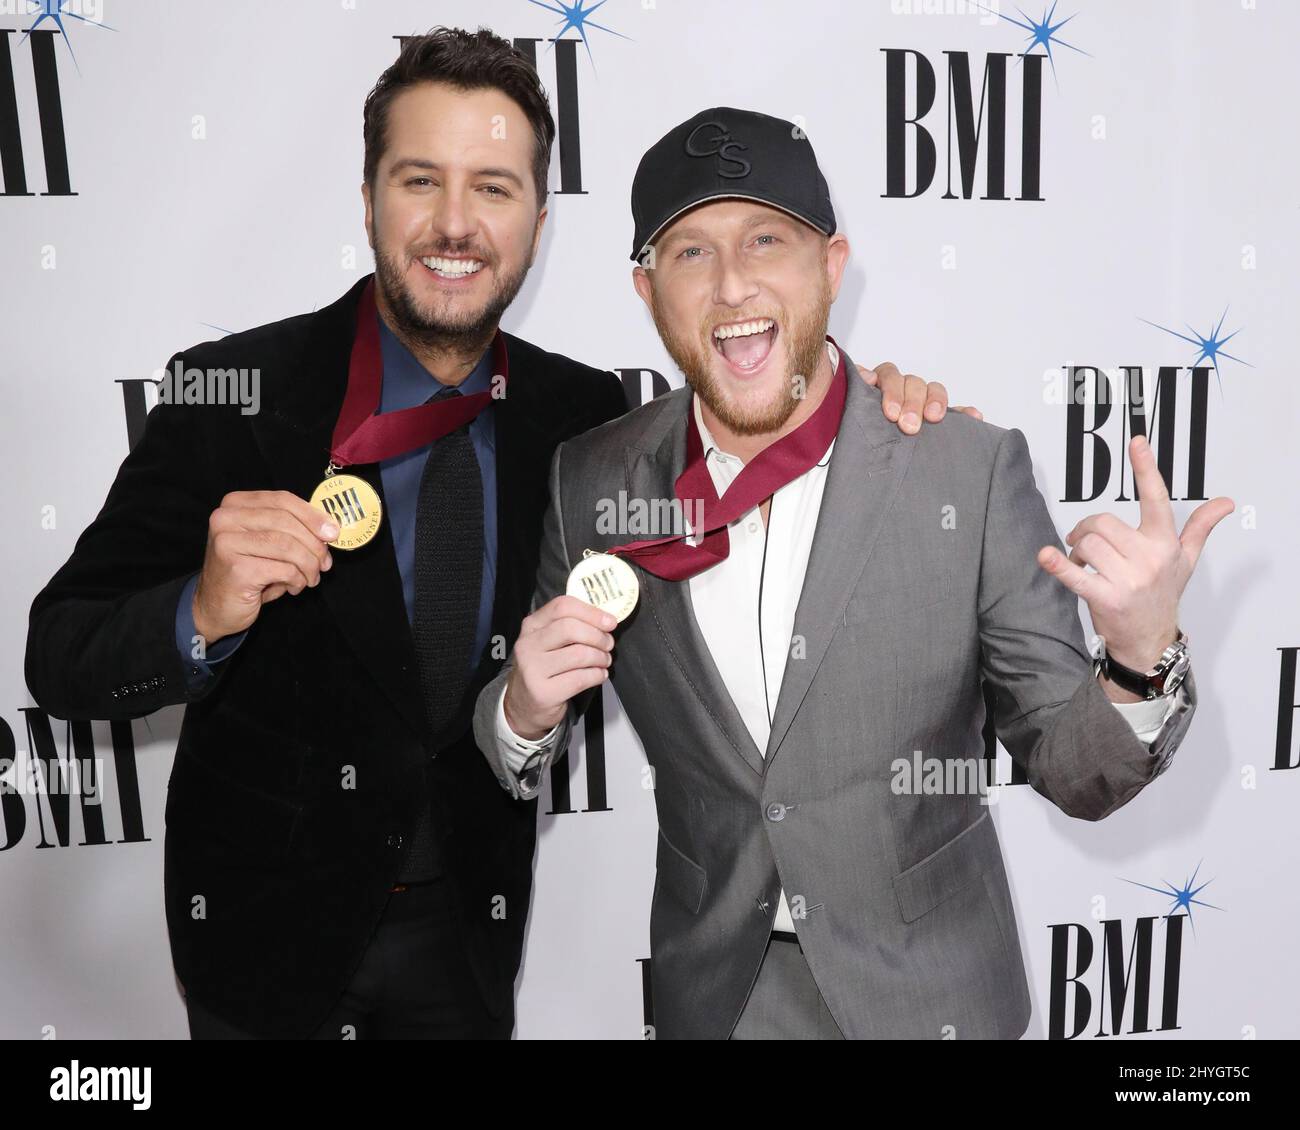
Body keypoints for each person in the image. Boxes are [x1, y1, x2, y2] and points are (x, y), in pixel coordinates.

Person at [23, 33, 958, 1039]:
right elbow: (62, 653)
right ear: (370, 197)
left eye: (494, 188)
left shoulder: (585, 417)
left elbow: (749, 447)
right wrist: (201, 610)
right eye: (420, 180)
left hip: (469, 942)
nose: (455, 223)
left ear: (539, 222)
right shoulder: (231, 394)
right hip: (262, 947)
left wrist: (865, 410)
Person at [477, 107, 1231, 1039]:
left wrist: (1139, 654)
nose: (733, 284)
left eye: (767, 240)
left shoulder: (965, 469)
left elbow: (1077, 771)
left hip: (931, 997)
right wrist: (523, 708)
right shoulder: (589, 480)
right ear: (646, 288)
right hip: (718, 1000)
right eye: (690, 253)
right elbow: (513, 754)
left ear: (831, 267)